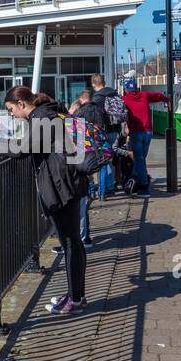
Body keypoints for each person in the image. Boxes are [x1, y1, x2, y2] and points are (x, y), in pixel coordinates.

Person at [3, 86, 88, 315]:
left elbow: (23, 149)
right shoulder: (48, 112)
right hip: (67, 182)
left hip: (62, 186)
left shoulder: (41, 116)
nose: (12, 115)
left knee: (70, 242)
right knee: (73, 242)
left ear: (21, 104)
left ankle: (75, 300)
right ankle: (76, 295)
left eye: (11, 110)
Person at [121, 77, 168, 194]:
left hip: (135, 132)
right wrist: (167, 100)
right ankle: (135, 180)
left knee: (139, 159)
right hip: (148, 132)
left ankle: (144, 186)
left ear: (126, 90)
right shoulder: (144, 96)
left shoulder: (124, 99)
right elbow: (158, 96)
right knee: (141, 159)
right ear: (136, 89)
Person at [70, 91, 105, 247]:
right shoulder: (99, 110)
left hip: (82, 161)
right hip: (95, 156)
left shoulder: (79, 115)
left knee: (80, 205)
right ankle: (85, 237)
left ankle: (81, 238)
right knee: (83, 203)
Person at [90, 73, 125, 197]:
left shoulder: (96, 99)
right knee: (111, 158)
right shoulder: (114, 94)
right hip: (115, 130)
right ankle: (110, 185)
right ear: (104, 83)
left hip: (102, 132)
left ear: (93, 85)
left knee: (104, 160)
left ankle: (106, 187)